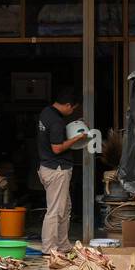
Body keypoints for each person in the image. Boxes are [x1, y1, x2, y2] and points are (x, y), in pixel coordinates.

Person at [37, 86, 87, 253]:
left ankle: (63, 245)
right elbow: (57, 148)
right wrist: (77, 138)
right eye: (73, 108)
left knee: (64, 208)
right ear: (67, 105)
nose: (72, 111)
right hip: (56, 169)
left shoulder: (46, 112)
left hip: (47, 167)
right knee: (55, 211)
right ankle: (49, 248)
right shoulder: (57, 121)